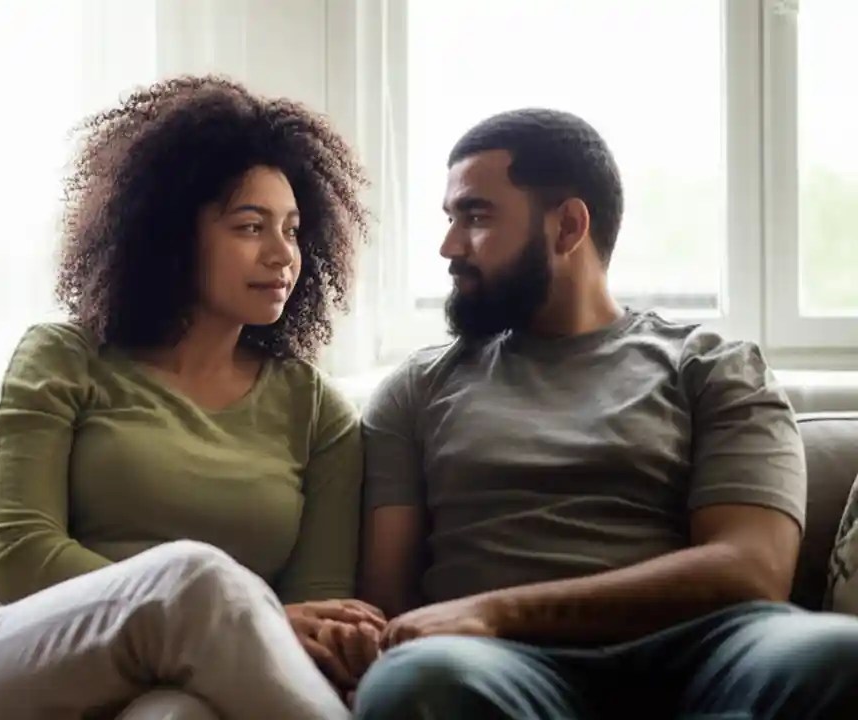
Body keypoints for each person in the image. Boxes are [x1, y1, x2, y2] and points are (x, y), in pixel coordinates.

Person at [0, 76, 381, 720]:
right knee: (195, 579)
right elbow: (20, 555)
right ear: (172, 234)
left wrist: (263, 625)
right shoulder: (64, 357)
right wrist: (217, 608)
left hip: (188, 681)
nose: (281, 255)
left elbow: (316, 612)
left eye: (292, 231)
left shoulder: (319, 413)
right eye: (250, 226)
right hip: (1, 652)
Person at [354, 108, 858, 719]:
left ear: (568, 226)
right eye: (451, 219)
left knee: (839, 655)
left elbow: (753, 569)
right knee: (416, 684)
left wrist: (498, 610)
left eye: (477, 217)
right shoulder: (416, 390)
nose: (450, 246)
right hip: (493, 668)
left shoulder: (713, 368)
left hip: (704, 653)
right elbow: (387, 605)